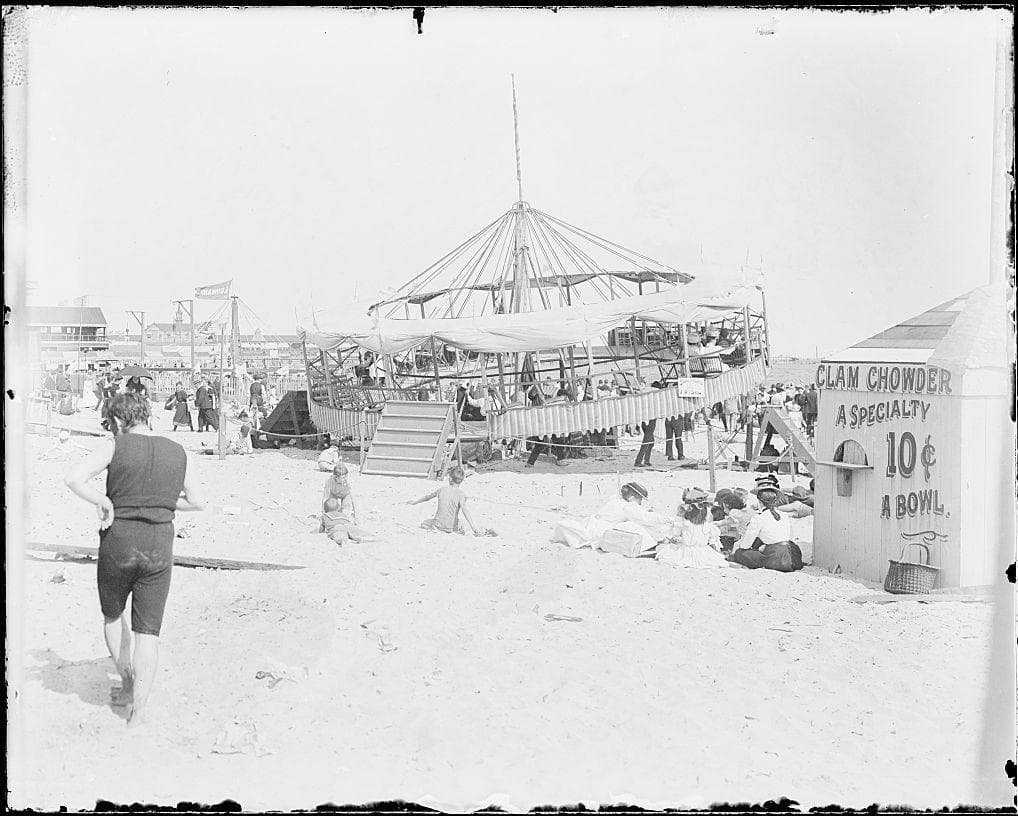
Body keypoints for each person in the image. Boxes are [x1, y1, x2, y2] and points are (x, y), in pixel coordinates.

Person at [63, 391, 204, 727]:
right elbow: (197, 502)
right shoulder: (178, 451)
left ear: (118, 421)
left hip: (120, 539)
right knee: (148, 632)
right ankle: (138, 712)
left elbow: (73, 478)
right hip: (159, 543)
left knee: (113, 615)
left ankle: (126, 682)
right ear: (146, 415)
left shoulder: (115, 445)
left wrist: (103, 499)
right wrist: (165, 504)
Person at [550, 481, 668, 554]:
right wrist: (665, 519)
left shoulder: (616, 499)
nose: (641, 502)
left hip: (592, 523)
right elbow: (644, 517)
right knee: (635, 527)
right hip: (602, 530)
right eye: (640, 499)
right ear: (633, 497)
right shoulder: (628, 507)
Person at [729, 475, 803, 572]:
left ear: (760, 502)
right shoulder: (784, 515)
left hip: (776, 557)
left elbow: (745, 545)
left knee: (740, 553)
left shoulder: (758, 518)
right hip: (793, 554)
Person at [657, 488, 727, 568]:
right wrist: (718, 554)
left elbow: (676, 534)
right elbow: (713, 541)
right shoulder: (707, 523)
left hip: (686, 551)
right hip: (703, 551)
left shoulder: (683, 522)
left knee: (664, 550)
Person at [407, 465, 484, 535]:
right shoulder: (461, 494)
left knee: (424, 523)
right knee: (463, 523)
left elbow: (427, 497)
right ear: (462, 480)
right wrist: (473, 528)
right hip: (451, 528)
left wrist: (414, 502)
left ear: (450, 478)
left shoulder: (441, 490)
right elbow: (465, 510)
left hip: (437, 526)